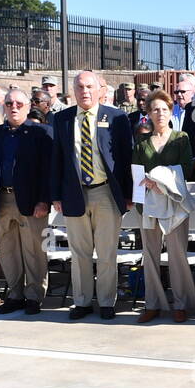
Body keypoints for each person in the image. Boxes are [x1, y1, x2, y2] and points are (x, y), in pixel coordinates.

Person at [51, 71, 134, 321]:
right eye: (79, 87)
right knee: (80, 253)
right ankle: (82, 301)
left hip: (106, 192)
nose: (84, 91)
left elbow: (126, 157)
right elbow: (57, 158)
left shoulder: (117, 117)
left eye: (89, 86)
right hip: (74, 194)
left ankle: (107, 302)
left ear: (100, 90)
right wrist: (56, 195)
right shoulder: (62, 119)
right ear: (73, 91)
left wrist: (128, 195)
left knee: (107, 253)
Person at [0, 88, 52, 315]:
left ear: (28, 106)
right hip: (1, 198)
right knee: (7, 249)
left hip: (31, 201)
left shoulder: (41, 133)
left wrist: (44, 200)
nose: (14, 107)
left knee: (34, 249)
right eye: (10, 103)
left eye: (19, 104)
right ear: (3, 106)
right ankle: (14, 294)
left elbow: (47, 171)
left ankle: (34, 296)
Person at [133, 89, 195, 323]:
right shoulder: (141, 142)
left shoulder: (181, 138)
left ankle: (180, 303)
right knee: (149, 255)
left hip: (174, 206)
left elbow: (186, 169)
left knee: (177, 255)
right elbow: (137, 172)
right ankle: (153, 304)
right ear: (148, 113)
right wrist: (147, 186)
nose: (160, 113)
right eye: (155, 109)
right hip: (148, 205)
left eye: (164, 109)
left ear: (171, 111)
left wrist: (160, 182)